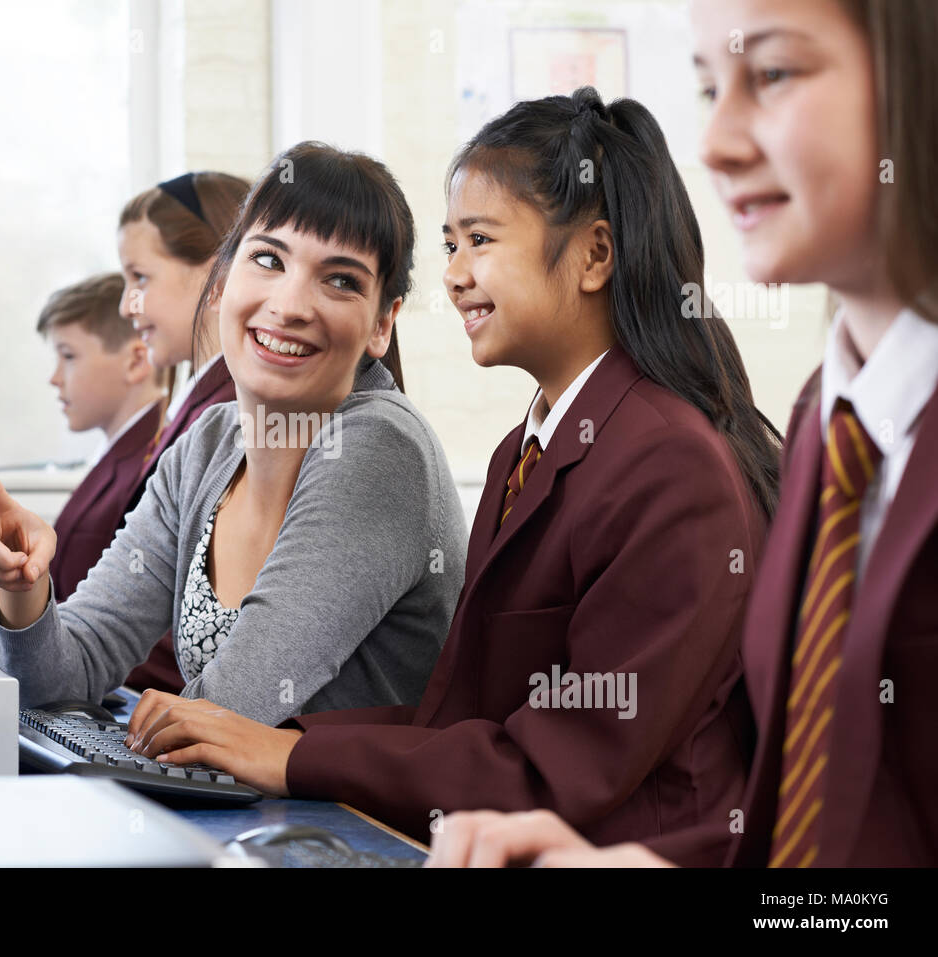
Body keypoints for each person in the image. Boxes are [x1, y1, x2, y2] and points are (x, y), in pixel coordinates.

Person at [121, 88, 780, 858]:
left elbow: (562, 764)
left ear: (595, 255)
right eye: (449, 246)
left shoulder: (669, 463)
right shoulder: (525, 449)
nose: (457, 275)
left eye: (481, 240)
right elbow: (461, 719)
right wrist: (270, 742)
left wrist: (289, 753)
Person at [427, 0, 938, 868]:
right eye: (708, 88)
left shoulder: (682, 454)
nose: (715, 142)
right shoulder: (826, 420)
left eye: (771, 74)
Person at [0, 142, 467, 726]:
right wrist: (23, 589)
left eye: (339, 281)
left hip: (347, 819)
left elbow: (232, 714)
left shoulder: (381, 449)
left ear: (382, 324)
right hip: (235, 814)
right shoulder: (207, 445)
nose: (290, 304)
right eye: (270, 260)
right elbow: (56, 682)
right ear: (224, 278)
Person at [0, 273, 164, 650]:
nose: (54, 378)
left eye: (68, 356)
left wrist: (9, 639)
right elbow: (77, 599)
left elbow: (123, 624)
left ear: (136, 361)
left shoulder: (152, 465)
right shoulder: (118, 456)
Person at [115, 171, 250, 693]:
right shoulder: (199, 406)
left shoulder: (232, 413)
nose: (127, 305)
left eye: (140, 278)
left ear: (212, 275)